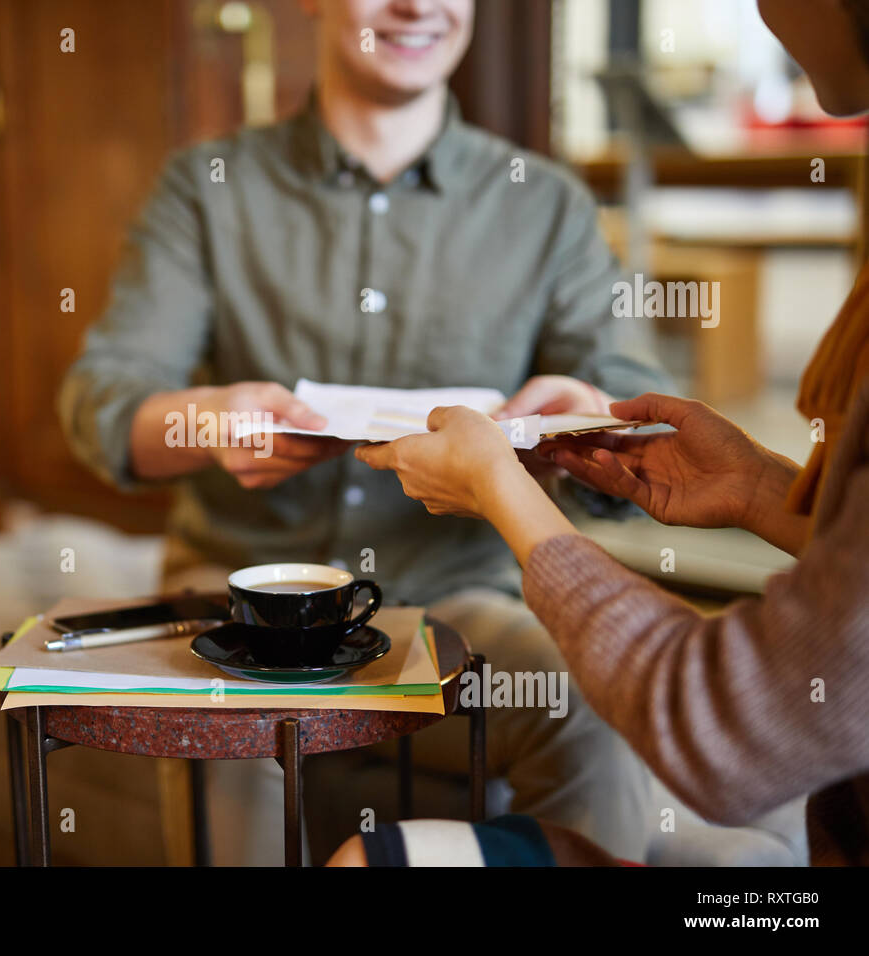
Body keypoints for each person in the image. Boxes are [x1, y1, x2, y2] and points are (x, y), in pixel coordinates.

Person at [61, 0, 667, 864]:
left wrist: (583, 417)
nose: (418, 5)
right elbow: (103, 400)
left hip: (458, 602)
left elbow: (640, 419)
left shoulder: (547, 208)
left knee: (599, 707)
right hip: (243, 601)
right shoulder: (205, 185)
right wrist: (206, 423)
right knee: (226, 738)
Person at [330, 0, 869, 867]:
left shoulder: (541, 198)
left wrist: (502, 490)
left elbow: (728, 731)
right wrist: (764, 492)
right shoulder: (204, 183)